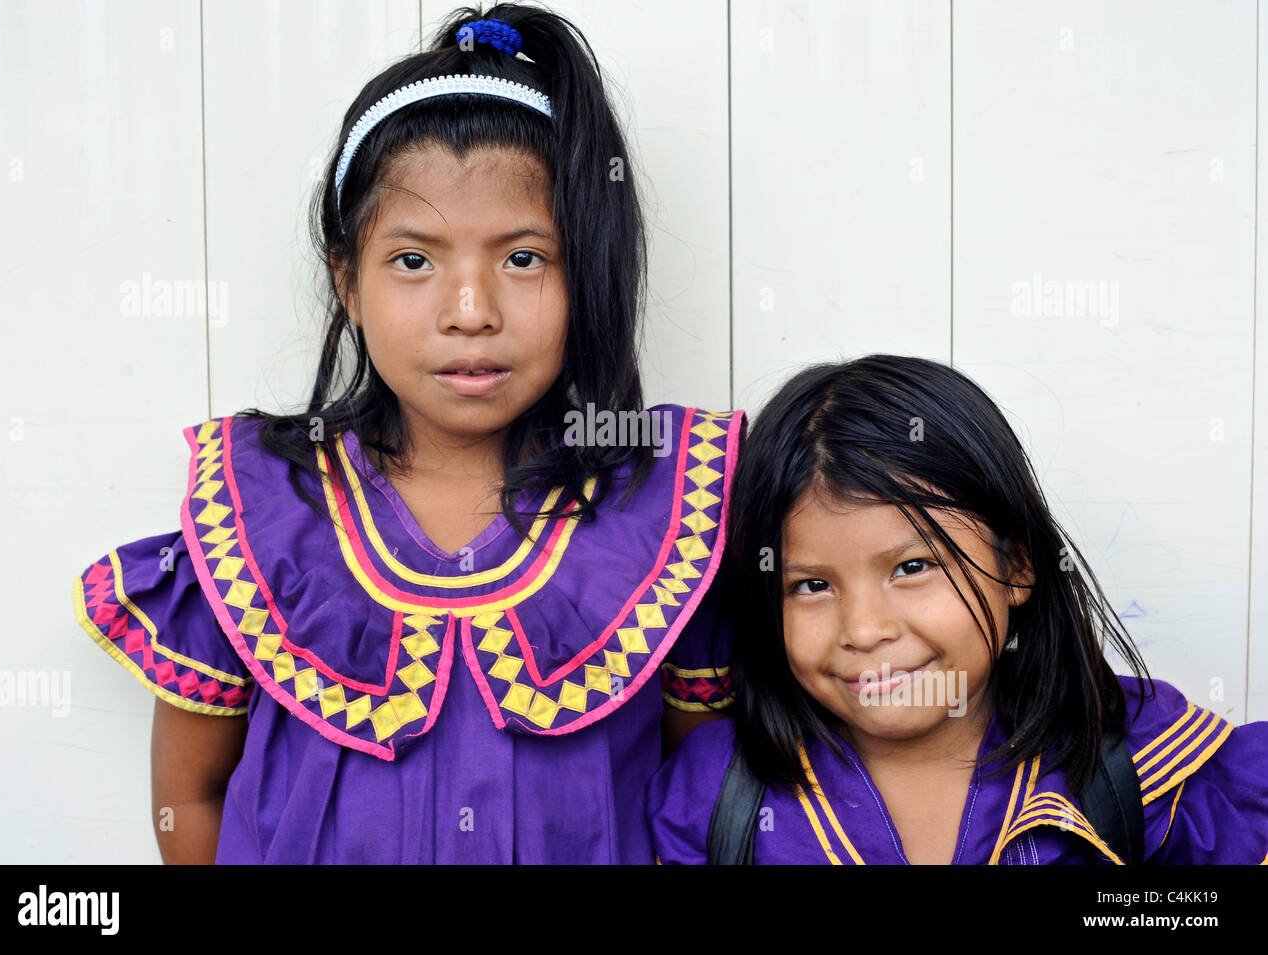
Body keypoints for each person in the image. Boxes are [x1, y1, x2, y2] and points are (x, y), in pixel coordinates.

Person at [71, 5, 741, 864]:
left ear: (589, 270)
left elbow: (695, 805)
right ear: (347, 278)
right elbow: (192, 798)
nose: (471, 312)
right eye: (414, 260)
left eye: (524, 258)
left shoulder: (666, 517)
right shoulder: (254, 517)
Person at [648, 355, 1268, 864]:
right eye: (811, 586)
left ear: (1019, 567)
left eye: (912, 568)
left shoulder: (1146, 767)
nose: (864, 630)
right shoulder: (714, 797)